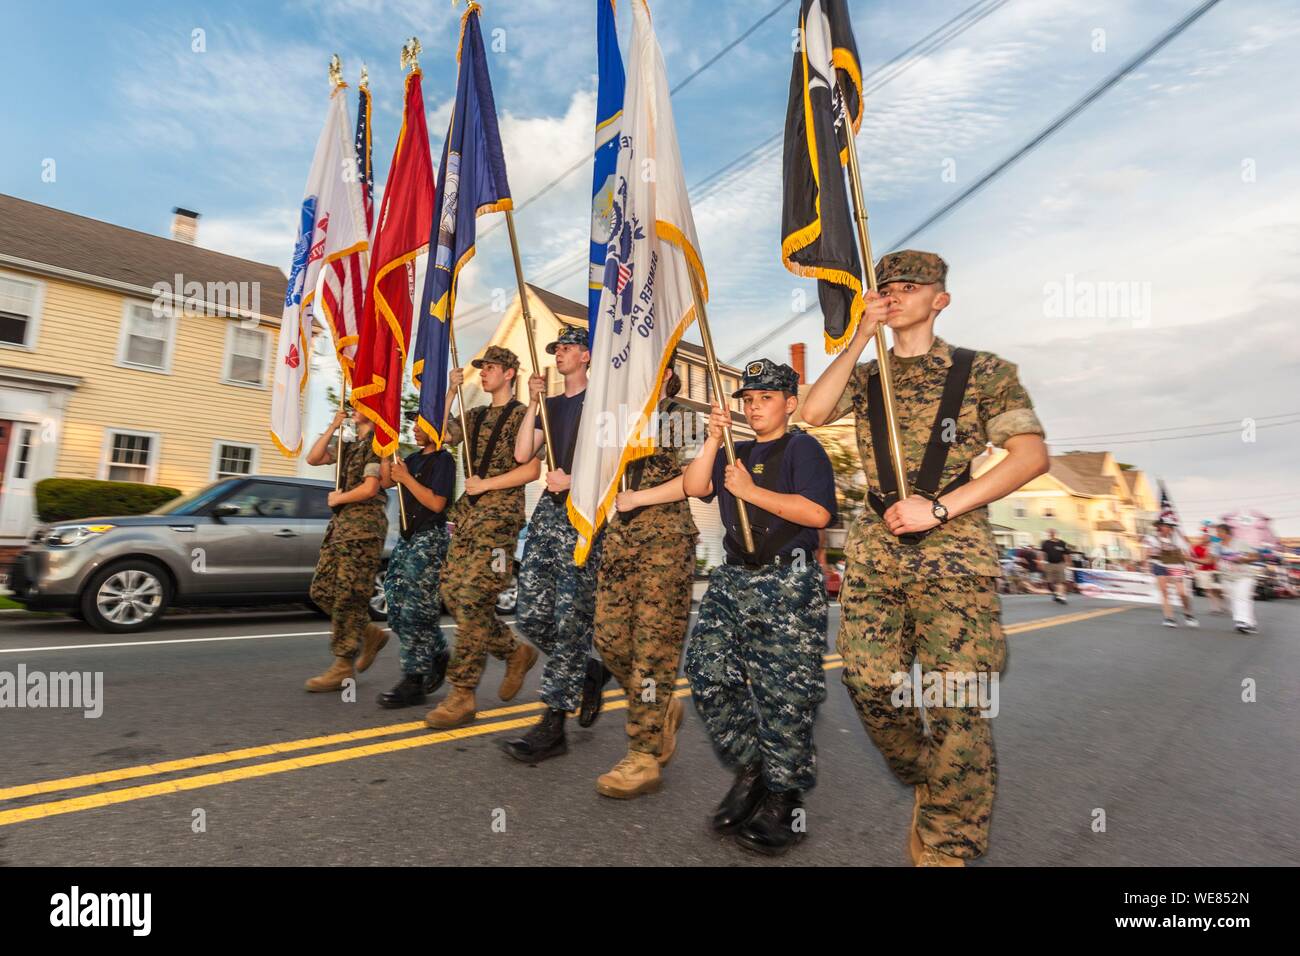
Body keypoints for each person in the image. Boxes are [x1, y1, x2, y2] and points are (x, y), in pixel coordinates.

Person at [800, 250, 1051, 867]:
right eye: (887, 286)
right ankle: (928, 774)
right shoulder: (867, 375)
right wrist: (860, 335)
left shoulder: (984, 371)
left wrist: (939, 509)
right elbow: (810, 414)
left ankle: (950, 840)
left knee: (958, 701)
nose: (896, 293)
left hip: (953, 551)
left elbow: (1029, 456)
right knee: (866, 682)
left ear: (940, 299)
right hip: (878, 547)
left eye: (911, 286)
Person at [683, 359, 837, 857]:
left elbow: (817, 513)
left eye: (765, 398)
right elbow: (694, 487)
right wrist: (712, 438)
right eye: (748, 400)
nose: (754, 407)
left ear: (790, 403)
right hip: (734, 577)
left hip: (786, 579)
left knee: (783, 695)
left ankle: (784, 799)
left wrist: (751, 491)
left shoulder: (803, 447)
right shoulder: (736, 449)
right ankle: (753, 769)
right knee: (706, 672)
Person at [500, 326, 609, 763]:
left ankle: (553, 722)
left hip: (583, 515)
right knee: (531, 613)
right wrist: (533, 403)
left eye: (566, 347)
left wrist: (576, 481)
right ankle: (589, 672)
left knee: (569, 621)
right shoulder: (553, 405)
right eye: (556, 348)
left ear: (585, 355)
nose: (559, 353)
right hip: (548, 514)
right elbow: (522, 455)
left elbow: (615, 464)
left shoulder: (601, 404)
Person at [590, 360, 698, 799]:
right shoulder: (614, 419)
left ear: (669, 373)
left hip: (665, 542)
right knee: (609, 638)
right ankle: (662, 706)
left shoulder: (681, 416)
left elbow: (695, 480)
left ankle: (643, 755)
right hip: (620, 538)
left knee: (652, 651)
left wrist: (639, 497)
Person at [425, 346, 541, 729]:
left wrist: (486, 484)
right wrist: (447, 393)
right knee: (453, 593)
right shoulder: (473, 415)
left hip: (500, 524)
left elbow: (531, 469)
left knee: (475, 596)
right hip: (470, 518)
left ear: (510, 373)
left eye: (491, 367)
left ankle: (462, 693)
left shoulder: (525, 415)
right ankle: (513, 651)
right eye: (482, 367)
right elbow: (437, 435)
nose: (484, 372)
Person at [303, 405, 391, 692]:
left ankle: (343, 666)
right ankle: (369, 633)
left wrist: (338, 500)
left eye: (363, 404)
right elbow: (314, 458)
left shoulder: (378, 447)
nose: (354, 407)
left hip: (363, 530)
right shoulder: (348, 447)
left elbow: (370, 488)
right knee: (321, 591)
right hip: (340, 529)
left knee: (347, 598)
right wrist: (333, 425)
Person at [376, 410, 457, 708]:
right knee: (395, 607)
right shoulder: (412, 458)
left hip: (429, 538)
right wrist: (386, 451)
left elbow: (436, 503)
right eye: (412, 423)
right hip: (407, 539)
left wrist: (407, 479)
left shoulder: (443, 461)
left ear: (435, 427)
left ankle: (414, 680)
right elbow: (386, 482)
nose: (414, 429)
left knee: (415, 610)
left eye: (420, 424)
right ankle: (436, 650)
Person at [1144, 520, 1198, 628]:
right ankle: (1169, 617)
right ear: (1159, 527)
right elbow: (1147, 552)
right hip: (1159, 565)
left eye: (1168, 526)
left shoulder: (1177, 538)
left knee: (1181, 593)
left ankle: (1188, 614)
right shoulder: (1151, 538)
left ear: (1171, 528)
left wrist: (1191, 567)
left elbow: (1185, 553)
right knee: (1164, 592)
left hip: (1176, 565)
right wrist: (1146, 563)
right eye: (1163, 526)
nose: (1165, 528)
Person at [1213, 522, 1259, 634]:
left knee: (1241, 597)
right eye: (1217, 532)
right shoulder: (1217, 546)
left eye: (1219, 531)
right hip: (1227, 577)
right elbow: (1213, 560)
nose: (1217, 534)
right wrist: (1191, 559)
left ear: (1227, 532)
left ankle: (1241, 621)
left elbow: (1255, 556)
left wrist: (1243, 560)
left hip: (1244, 575)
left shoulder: (1240, 543)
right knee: (1234, 599)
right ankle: (1250, 623)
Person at [1190, 527, 1226, 615]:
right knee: (1208, 589)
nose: (1205, 538)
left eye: (1207, 536)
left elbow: (1218, 558)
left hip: (1215, 570)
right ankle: (1215, 607)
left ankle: (1222, 604)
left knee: (1217, 589)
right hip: (1203, 571)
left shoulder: (1215, 546)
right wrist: (1194, 570)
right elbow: (1193, 559)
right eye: (1203, 536)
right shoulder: (1196, 547)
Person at [1040, 529, 1070, 604]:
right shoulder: (1045, 543)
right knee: (1050, 582)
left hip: (1060, 564)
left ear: (1057, 534)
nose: (1052, 534)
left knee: (1061, 581)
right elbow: (1042, 554)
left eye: (1053, 533)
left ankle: (1062, 597)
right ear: (1049, 534)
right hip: (1049, 564)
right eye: (1050, 533)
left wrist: (1067, 563)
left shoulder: (1062, 543)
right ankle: (1056, 593)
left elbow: (1066, 554)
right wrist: (1042, 563)